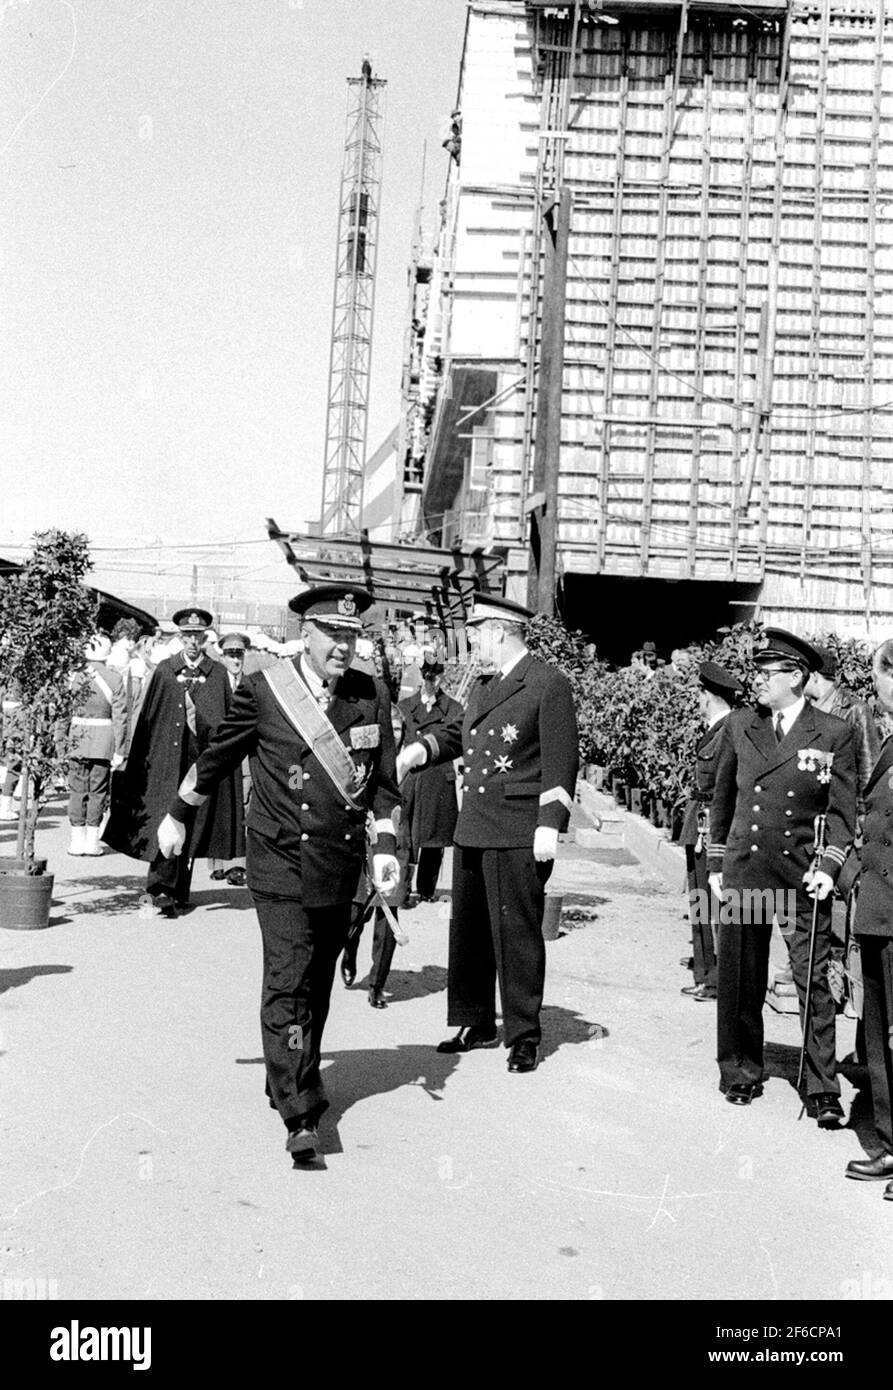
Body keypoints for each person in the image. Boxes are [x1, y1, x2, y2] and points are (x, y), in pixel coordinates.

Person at [155, 584, 400, 1163]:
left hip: (338, 862)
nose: (344, 646)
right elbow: (217, 755)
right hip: (281, 858)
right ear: (304, 635)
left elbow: (384, 783)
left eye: (352, 635)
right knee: (288, 978)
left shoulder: (371, 694)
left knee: (317, 981)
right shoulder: (267, 691)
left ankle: (288, 1072)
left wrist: (386, 844)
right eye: (333, 635)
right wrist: (180, 811)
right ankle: (301, 1111)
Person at [397, 593, 579, 1074]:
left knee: (517, 932)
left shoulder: (546, 683)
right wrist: (424, 750)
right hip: (475, 822)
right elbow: (461, 734)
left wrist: (550, 825)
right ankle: (475, 1020)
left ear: (499, 631)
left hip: (519, 828)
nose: (474, 640)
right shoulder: (484, 685)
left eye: (478, 631)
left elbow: (562, 759)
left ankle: (524, 1033)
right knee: (470, 930)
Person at [708, 627, 857, 1122]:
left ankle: (821, 1084)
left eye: (767, 673)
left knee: (812, 977)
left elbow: (842, 813)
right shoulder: (740, 726)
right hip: (747, 871)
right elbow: (722, 801)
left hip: (800, 875)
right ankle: (739, 1070)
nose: (757, 682)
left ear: (796, 677)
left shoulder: (833, 733)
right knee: (740, 978)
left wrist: (830, 866)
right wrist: (713, 863)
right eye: (756, 671)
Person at [103, 607, 243, 916]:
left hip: (201, 764)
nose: (193, 642)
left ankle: (181, 890)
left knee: (194, 822)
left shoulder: (217, 674)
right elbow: (149, 719)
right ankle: (159, 890)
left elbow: (227, 722)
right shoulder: (166, 671)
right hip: (168, 762)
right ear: (179, 637)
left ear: (206, 638)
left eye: (198, 636)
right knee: (166, 819)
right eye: (187, 636)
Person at [841, 639, 893, 1198]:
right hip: (878, 911)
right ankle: (887, 1142)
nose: (875, 697)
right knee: (877, 1037)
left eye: (879, 682)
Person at [678, 662, 744, 1002]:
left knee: (714, 904)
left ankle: (717, 978)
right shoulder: (716, 728)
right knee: (699, 899)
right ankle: (705, 972)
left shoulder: (728, 731)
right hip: (698, 821)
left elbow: (723, 789)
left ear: (710, 696)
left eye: (700, 694)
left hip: (710, 825)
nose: (696, 700)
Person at [399, 657, 463, 901]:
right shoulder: (406, 707)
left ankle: (427, 890)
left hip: (437, 780)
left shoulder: (454, 709)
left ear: (442, 677)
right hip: (412, 778)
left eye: (435, 677)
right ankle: (402, 890)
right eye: (427, 677)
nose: (430, 683)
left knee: (433, 840)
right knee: (406, 835)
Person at [66, 634, 128, 856]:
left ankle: (76, 841)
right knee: (98, 791)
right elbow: (121, 717)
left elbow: (63, 713)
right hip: (104, 739)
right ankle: (92, 842)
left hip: (77, 736)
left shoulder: (73, 675)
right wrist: (120, 749)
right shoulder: (115, 678)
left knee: (77, 789)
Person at [805, 645, 880, 800]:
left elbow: (869, 770)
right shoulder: (803, 710)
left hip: (842, 810)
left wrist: (862, 816)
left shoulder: (856, 710)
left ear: (814, 676)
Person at [208, 633, 250, 886]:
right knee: (218, 807)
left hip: (243, 758)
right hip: (220, 755)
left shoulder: (252, 684)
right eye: (231, 655)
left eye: (239, 655)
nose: (235, 660)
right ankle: (217, 863)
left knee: (242, 806)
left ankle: (237, 865)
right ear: (222, 656)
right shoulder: (214, 684)